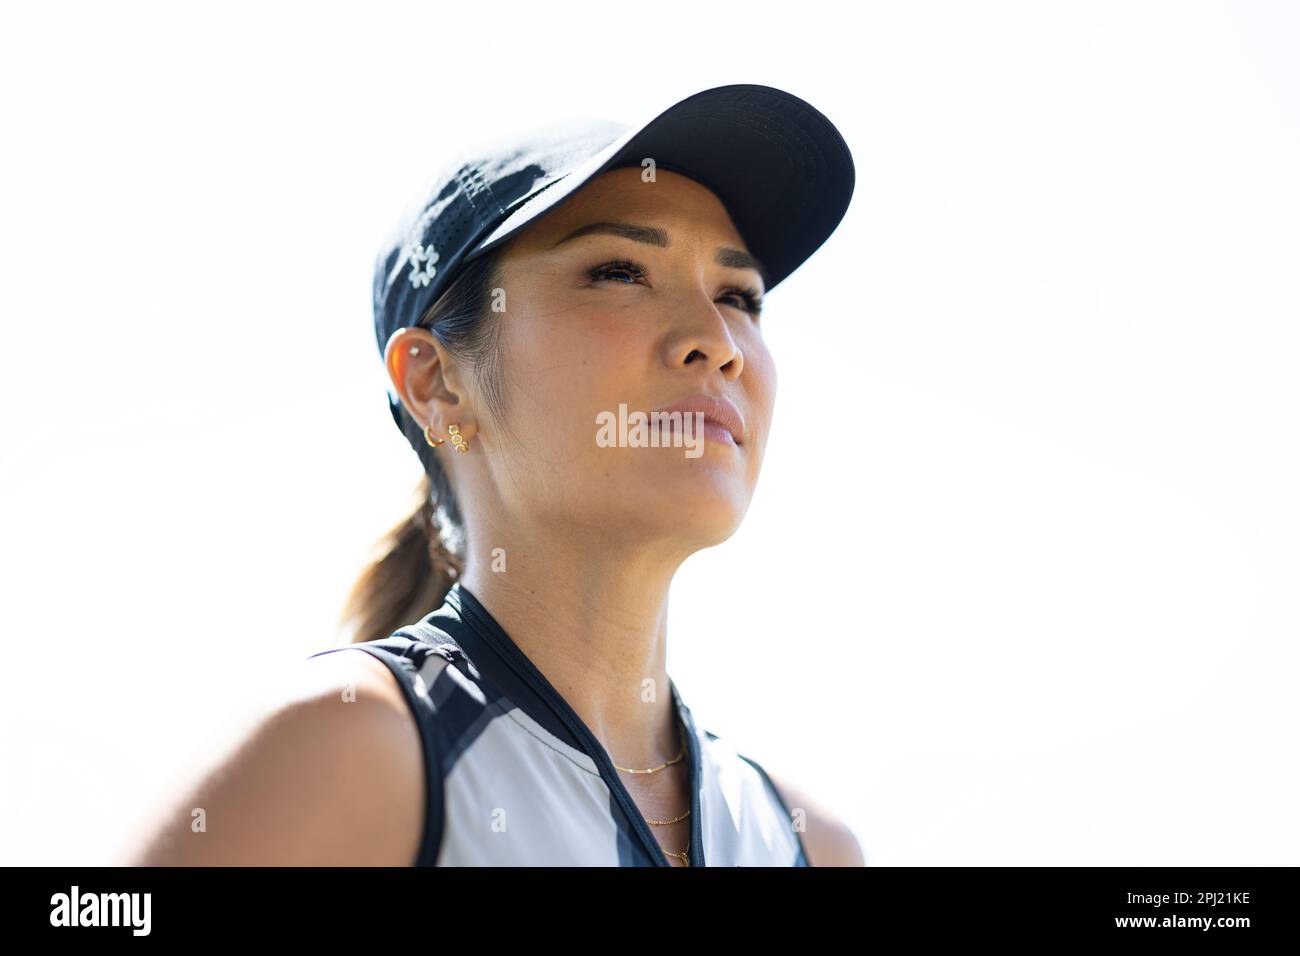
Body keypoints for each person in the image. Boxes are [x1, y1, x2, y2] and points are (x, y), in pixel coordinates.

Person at [122, 83, 864, 866]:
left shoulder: (809, 844)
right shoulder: (345, 755)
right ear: (437, 383)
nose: (717, 341)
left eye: (739, 295)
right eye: (619, 270)